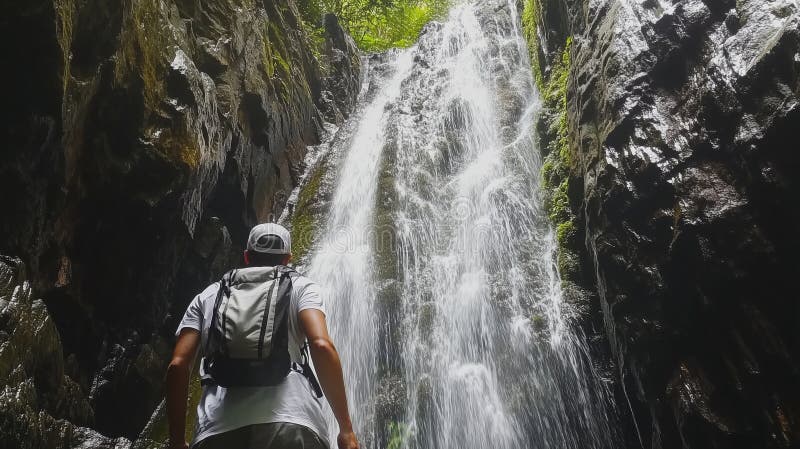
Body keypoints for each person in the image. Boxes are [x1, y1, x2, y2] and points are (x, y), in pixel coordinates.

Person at [166, 223, 359, 449]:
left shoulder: (209, 296)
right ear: (288, 259)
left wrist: (177, 441)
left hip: (216, 430)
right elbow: (322, 345)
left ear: (247, 256)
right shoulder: (301, 287)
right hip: (291, 422)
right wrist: (345, 429)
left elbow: (178, 366)